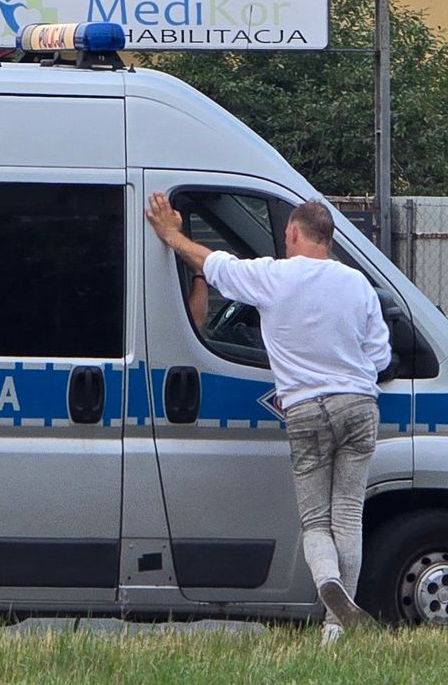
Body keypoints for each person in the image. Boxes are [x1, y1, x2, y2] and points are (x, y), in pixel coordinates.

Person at [145, 192, 391, 643]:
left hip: (305, 408)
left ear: (293, 233)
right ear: (330, 239)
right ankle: (337, 627)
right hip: (358, 406)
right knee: (349, 515)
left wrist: (171, 234)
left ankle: (327, 584)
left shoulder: (274, 277)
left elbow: (214, 262)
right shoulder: (357, 285)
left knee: (316, 521)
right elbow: (379, 355)